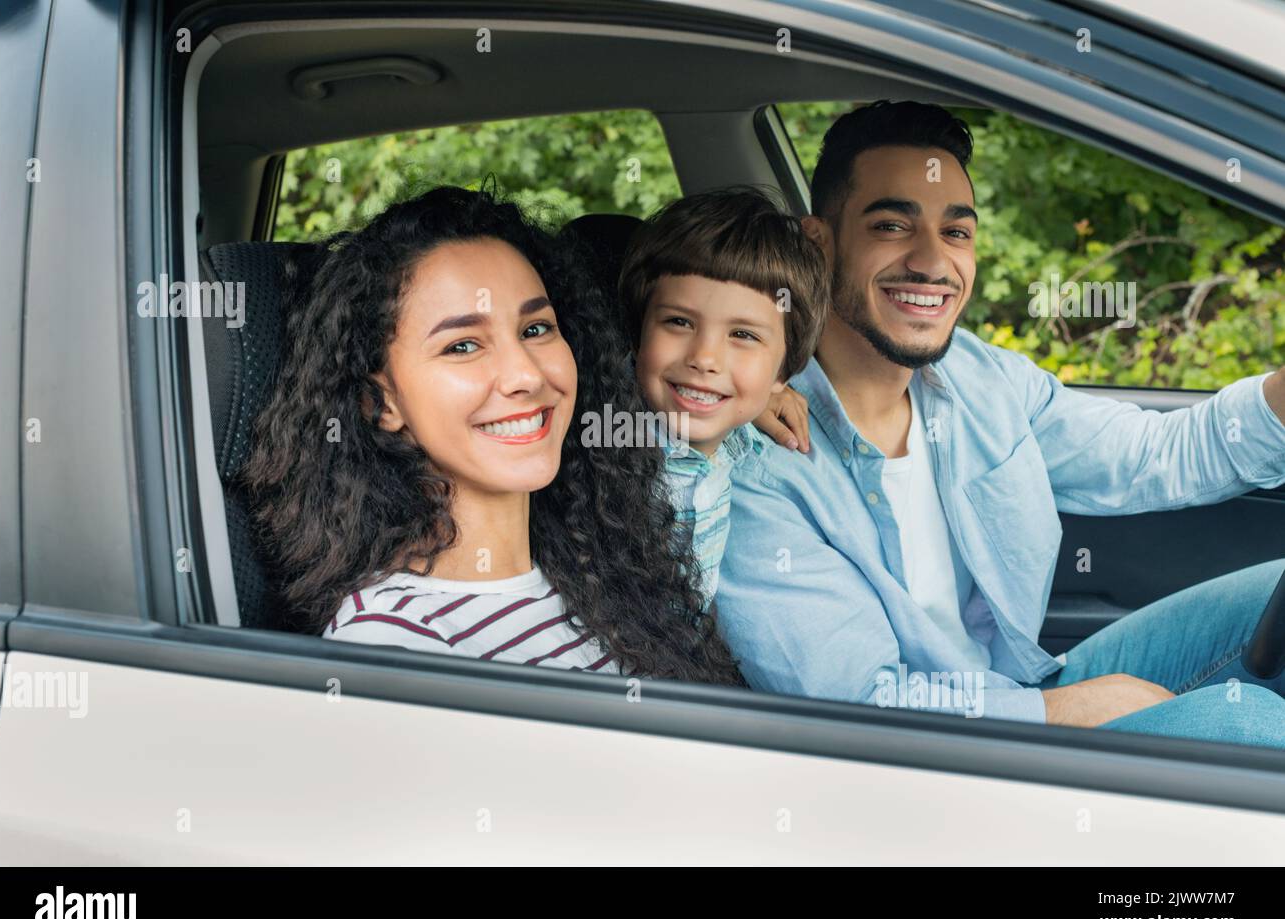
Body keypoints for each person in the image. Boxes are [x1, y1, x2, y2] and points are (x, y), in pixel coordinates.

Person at [714, 100, 1285, 746]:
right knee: (1251, 725)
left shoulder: (980, 379)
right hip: (938, 762)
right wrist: (1066, 711)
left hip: (1017, 692)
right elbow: (862, 708)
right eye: (893, 226)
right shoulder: (756, 461)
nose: (932, 262)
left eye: (956, 232)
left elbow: (1155, 454)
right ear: (819, 242)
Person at [242, 184, 743, 685]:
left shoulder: (605, 570)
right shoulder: (394, 641)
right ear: (381, 403)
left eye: (535, 330)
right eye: (462, 346)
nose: (525, 375)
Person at [616, 186, 828, 603]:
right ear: (638, 331)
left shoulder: (743, 440)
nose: (705, 358)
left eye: (743, 335)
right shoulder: (614, 438)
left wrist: (758, 398)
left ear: (784, 370)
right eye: (678, 322)